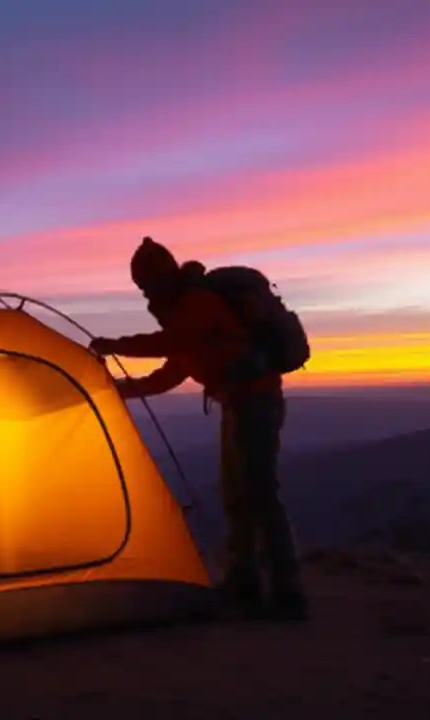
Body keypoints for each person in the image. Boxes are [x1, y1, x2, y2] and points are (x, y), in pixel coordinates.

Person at [89, 237, 307, 621]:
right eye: (142, 284)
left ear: (161, 277)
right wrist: (116, 391)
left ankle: (288, 592)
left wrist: (115, 345)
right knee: (237, 494)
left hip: (256, 403)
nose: (145, 292)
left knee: (259, 493)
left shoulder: (195, 304)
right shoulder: (182, 312)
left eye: (146, 282)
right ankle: (246, 581)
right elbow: (170, 373)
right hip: (238, 404)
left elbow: (171, 343)